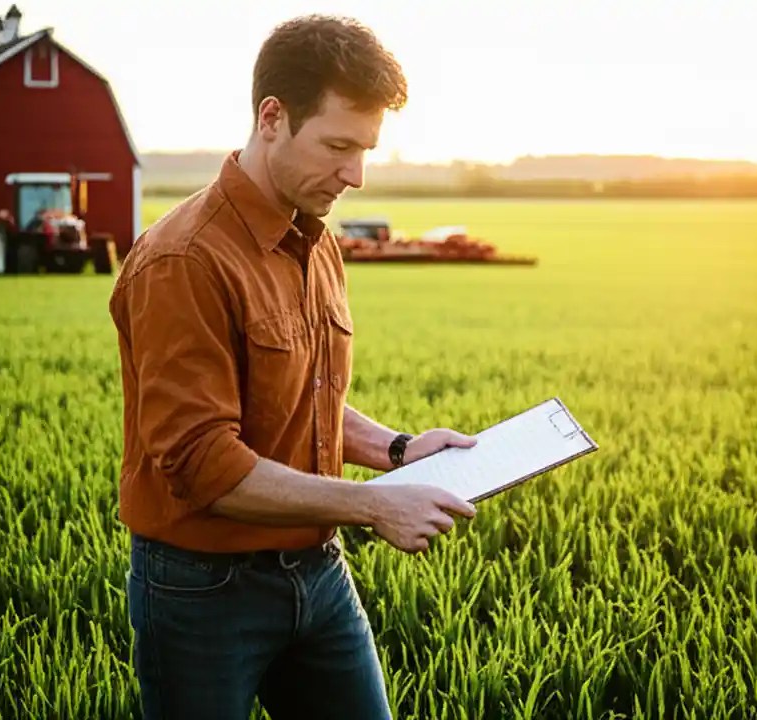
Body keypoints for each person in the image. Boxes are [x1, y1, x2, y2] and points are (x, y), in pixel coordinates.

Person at [107, 14, 480, 720]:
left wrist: (397, 450)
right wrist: (373, 505)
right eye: (338, 146)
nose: (357, 175)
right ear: (271, 118)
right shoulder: (183, 261)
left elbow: (298, 397)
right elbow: (204, 464)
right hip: (204, 592)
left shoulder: (315, 240)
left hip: (317, 572)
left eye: (365, 149)